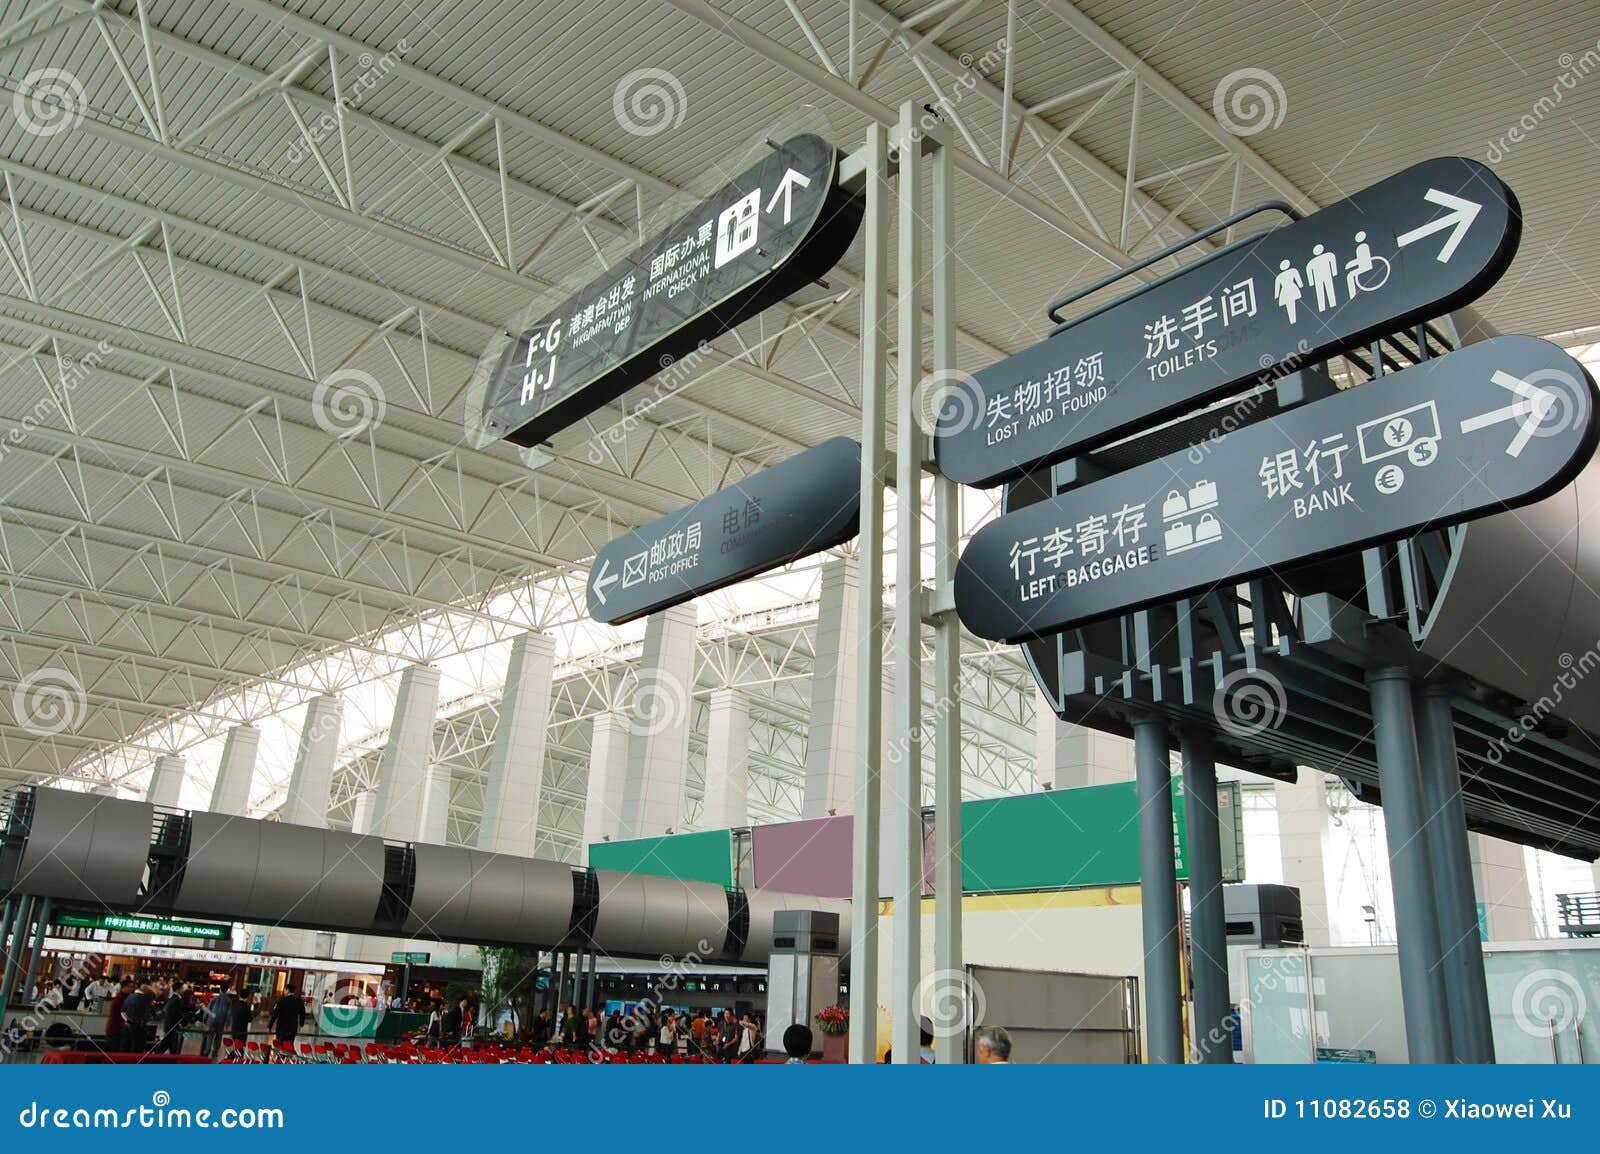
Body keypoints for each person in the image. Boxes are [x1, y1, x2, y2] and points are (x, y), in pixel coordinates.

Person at [120, 979, 154, 1052]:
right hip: (139, 1027)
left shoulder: (129, 996)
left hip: (128, 1026)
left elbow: (122, 1012)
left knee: (127, 1047)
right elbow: (154, 993)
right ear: (144, 986)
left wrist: (127, 1020)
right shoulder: (143, 997)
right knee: (137, 1048)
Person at [159, 982, 193, 1054]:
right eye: (182, 988)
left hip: (172, 1025)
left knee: (172, 1046)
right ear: (178, 989)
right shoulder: (175, 999)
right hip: (171, 1025)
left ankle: (173, 1058)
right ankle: (155, 1056)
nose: (183, 990)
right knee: (165, 1045)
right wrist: (185, 1023)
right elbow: (177, 1013)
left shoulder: (176, 998)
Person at [203, 987, 234, 1059]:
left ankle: (207, 1051)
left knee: (210, 1036)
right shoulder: (228, 1001)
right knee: (218, 1038)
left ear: (220, 990)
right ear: (227, 990)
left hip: (211, 1020)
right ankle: (215, 1053)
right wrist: (228, 1024)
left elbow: (208, 1009)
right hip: (221, 1022)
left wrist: (205, 1019)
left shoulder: (214, 998)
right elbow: (228, 1013)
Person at [104, 977, 134, 1051]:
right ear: (123, 987)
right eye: (129, 987)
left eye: (132, 987)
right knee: (115, 1052)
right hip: (115, 1029)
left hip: (119, 1029)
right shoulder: (120, 999)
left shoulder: (125, 998)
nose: (131, 989)